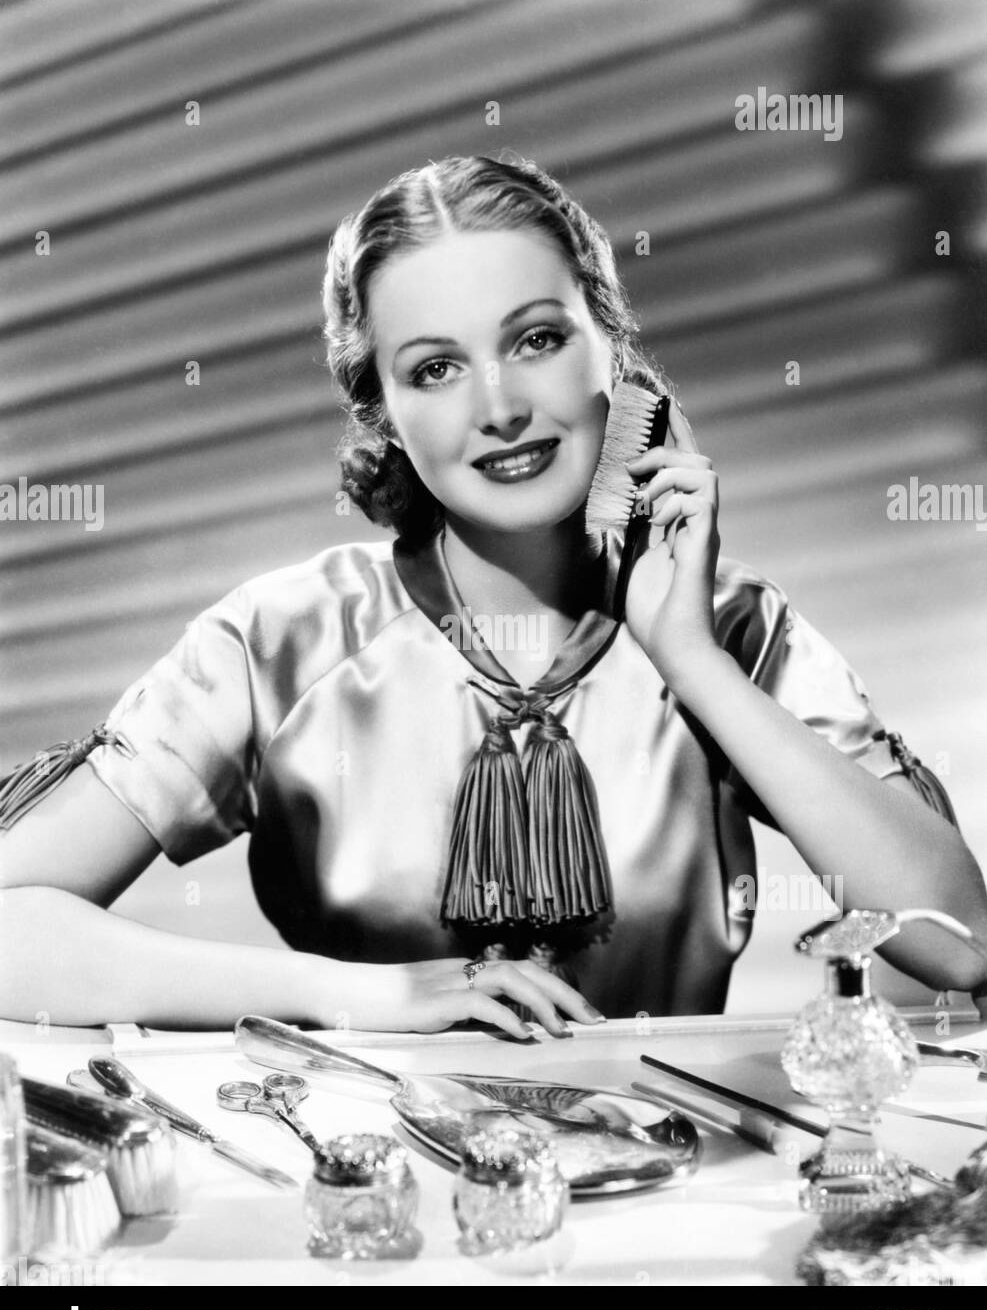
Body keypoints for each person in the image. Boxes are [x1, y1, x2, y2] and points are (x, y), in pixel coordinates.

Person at [2, 154, 986, 1035]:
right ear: (381, 411)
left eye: (536, 340)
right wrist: (367, 997)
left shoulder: (728, 627)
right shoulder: (280, 641)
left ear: (613, 343)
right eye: (435, 368)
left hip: (672, 1193)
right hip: (367, 1197)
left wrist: (692, 660)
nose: (500, 407)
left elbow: (961, 946)